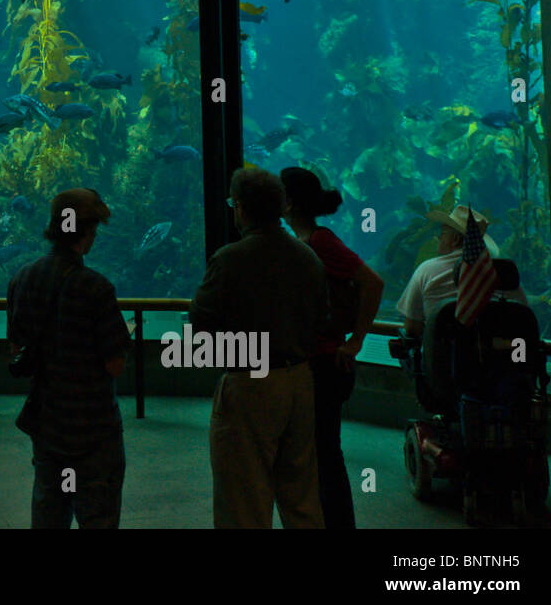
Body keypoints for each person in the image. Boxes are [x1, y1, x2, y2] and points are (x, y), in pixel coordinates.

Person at [190, 167, 328, 529]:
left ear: (241, 209)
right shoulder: (307, 257)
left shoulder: (230, 259)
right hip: (299, 379)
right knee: (302, 496)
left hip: (251, 381)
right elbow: (321, 321)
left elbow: (201, 327)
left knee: (244, 499)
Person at [7, 188, 130, 529]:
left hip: (48, 421)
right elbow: (114, 364)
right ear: (87, 232)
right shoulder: (97, 288)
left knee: (50, 510)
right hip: (94, 427)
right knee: (98, 515)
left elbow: (16, 348)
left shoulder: (23, 279)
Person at [280, 167, 383, 530]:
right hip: (313, 362)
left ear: (288, 202)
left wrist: (356, 341)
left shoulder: (321, 242)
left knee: (325, 454)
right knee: (316, 453)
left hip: (327, 364)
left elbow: (372, 282)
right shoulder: (302, 242)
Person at [396, 204, 525, 335]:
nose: (439, 238)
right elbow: (522, 314)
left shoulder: (426, 270)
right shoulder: (502, 273)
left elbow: (412, 327)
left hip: (443, 355)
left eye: (443, 234)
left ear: (455, 239)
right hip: (494, 354)